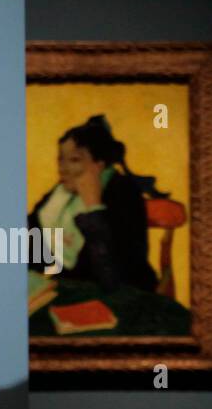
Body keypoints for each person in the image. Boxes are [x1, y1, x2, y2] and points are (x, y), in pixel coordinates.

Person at [28, 114, 165, 294]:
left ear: (99, 165)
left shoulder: (124, 192)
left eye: (74, 160)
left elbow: (114, 277)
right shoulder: (60, 195)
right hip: (72, 290)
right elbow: (33, 254)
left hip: (125, 293)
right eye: (60, 159)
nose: (62, 168)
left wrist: (93, 207)